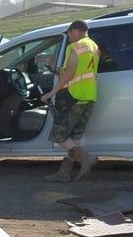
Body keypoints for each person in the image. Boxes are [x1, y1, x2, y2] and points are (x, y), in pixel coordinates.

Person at [41, 20, 100, 183]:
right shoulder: (94, 46)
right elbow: (84, 70)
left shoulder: (75, 47)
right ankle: (64, 173)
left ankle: (86, 158)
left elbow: (70, 74)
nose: (68, 36)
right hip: (90, 95)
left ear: (75, 31)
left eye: (68, 33)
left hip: (75, 95)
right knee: (74, 137)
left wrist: (52, 92)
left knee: (58, 135)